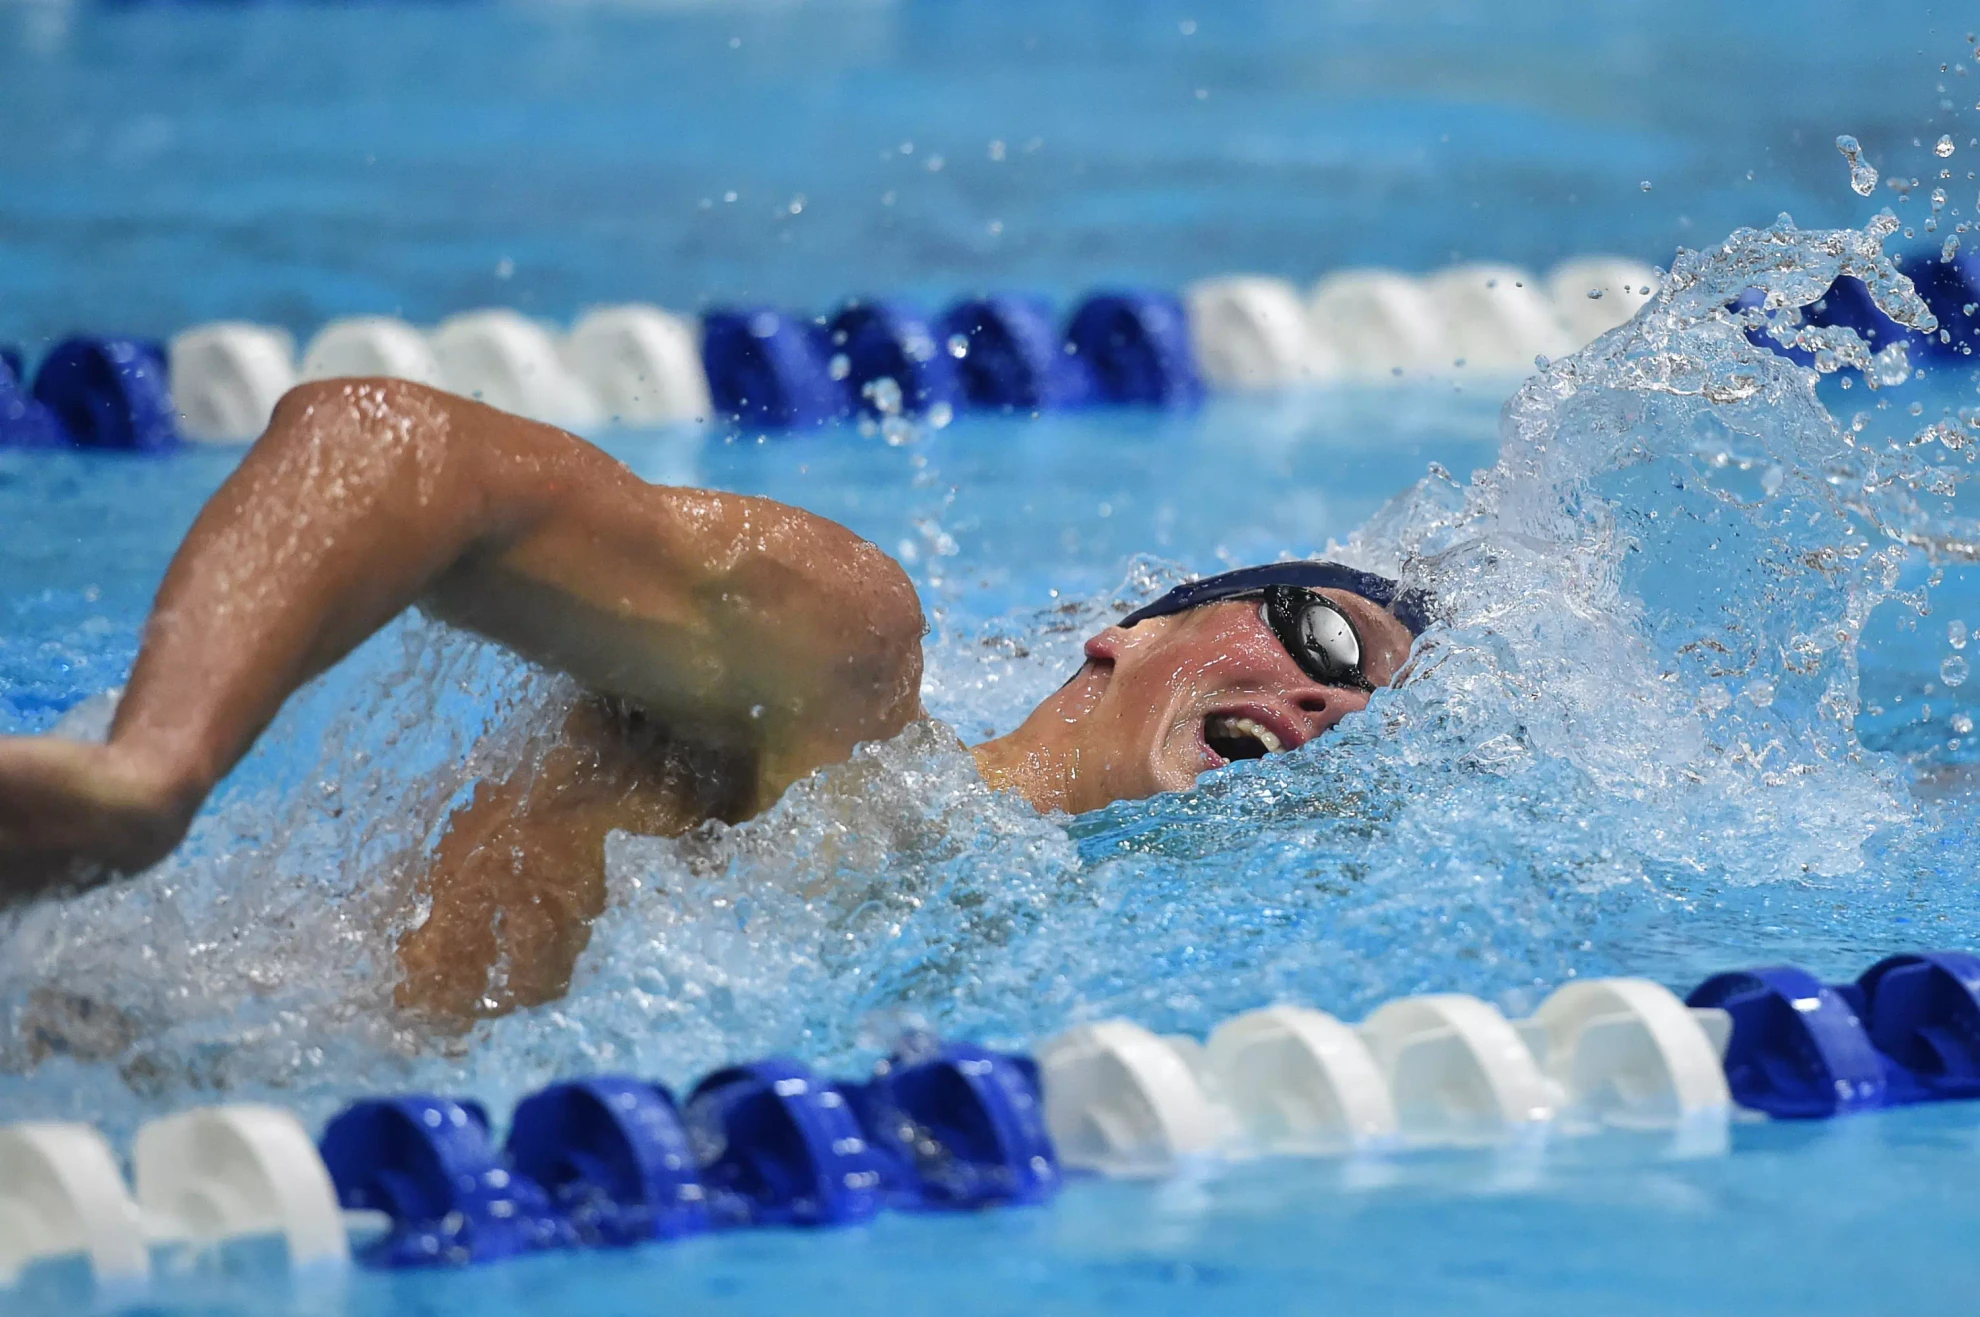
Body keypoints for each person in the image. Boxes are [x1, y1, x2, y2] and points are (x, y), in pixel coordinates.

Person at [0, 379, 1425, 1019]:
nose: (1332, 703)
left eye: (1372, 713)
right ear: (1123, 634)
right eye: (1322, 636)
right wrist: (157, 778)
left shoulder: (1055, 953)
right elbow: (392, 443)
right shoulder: (841, 687)